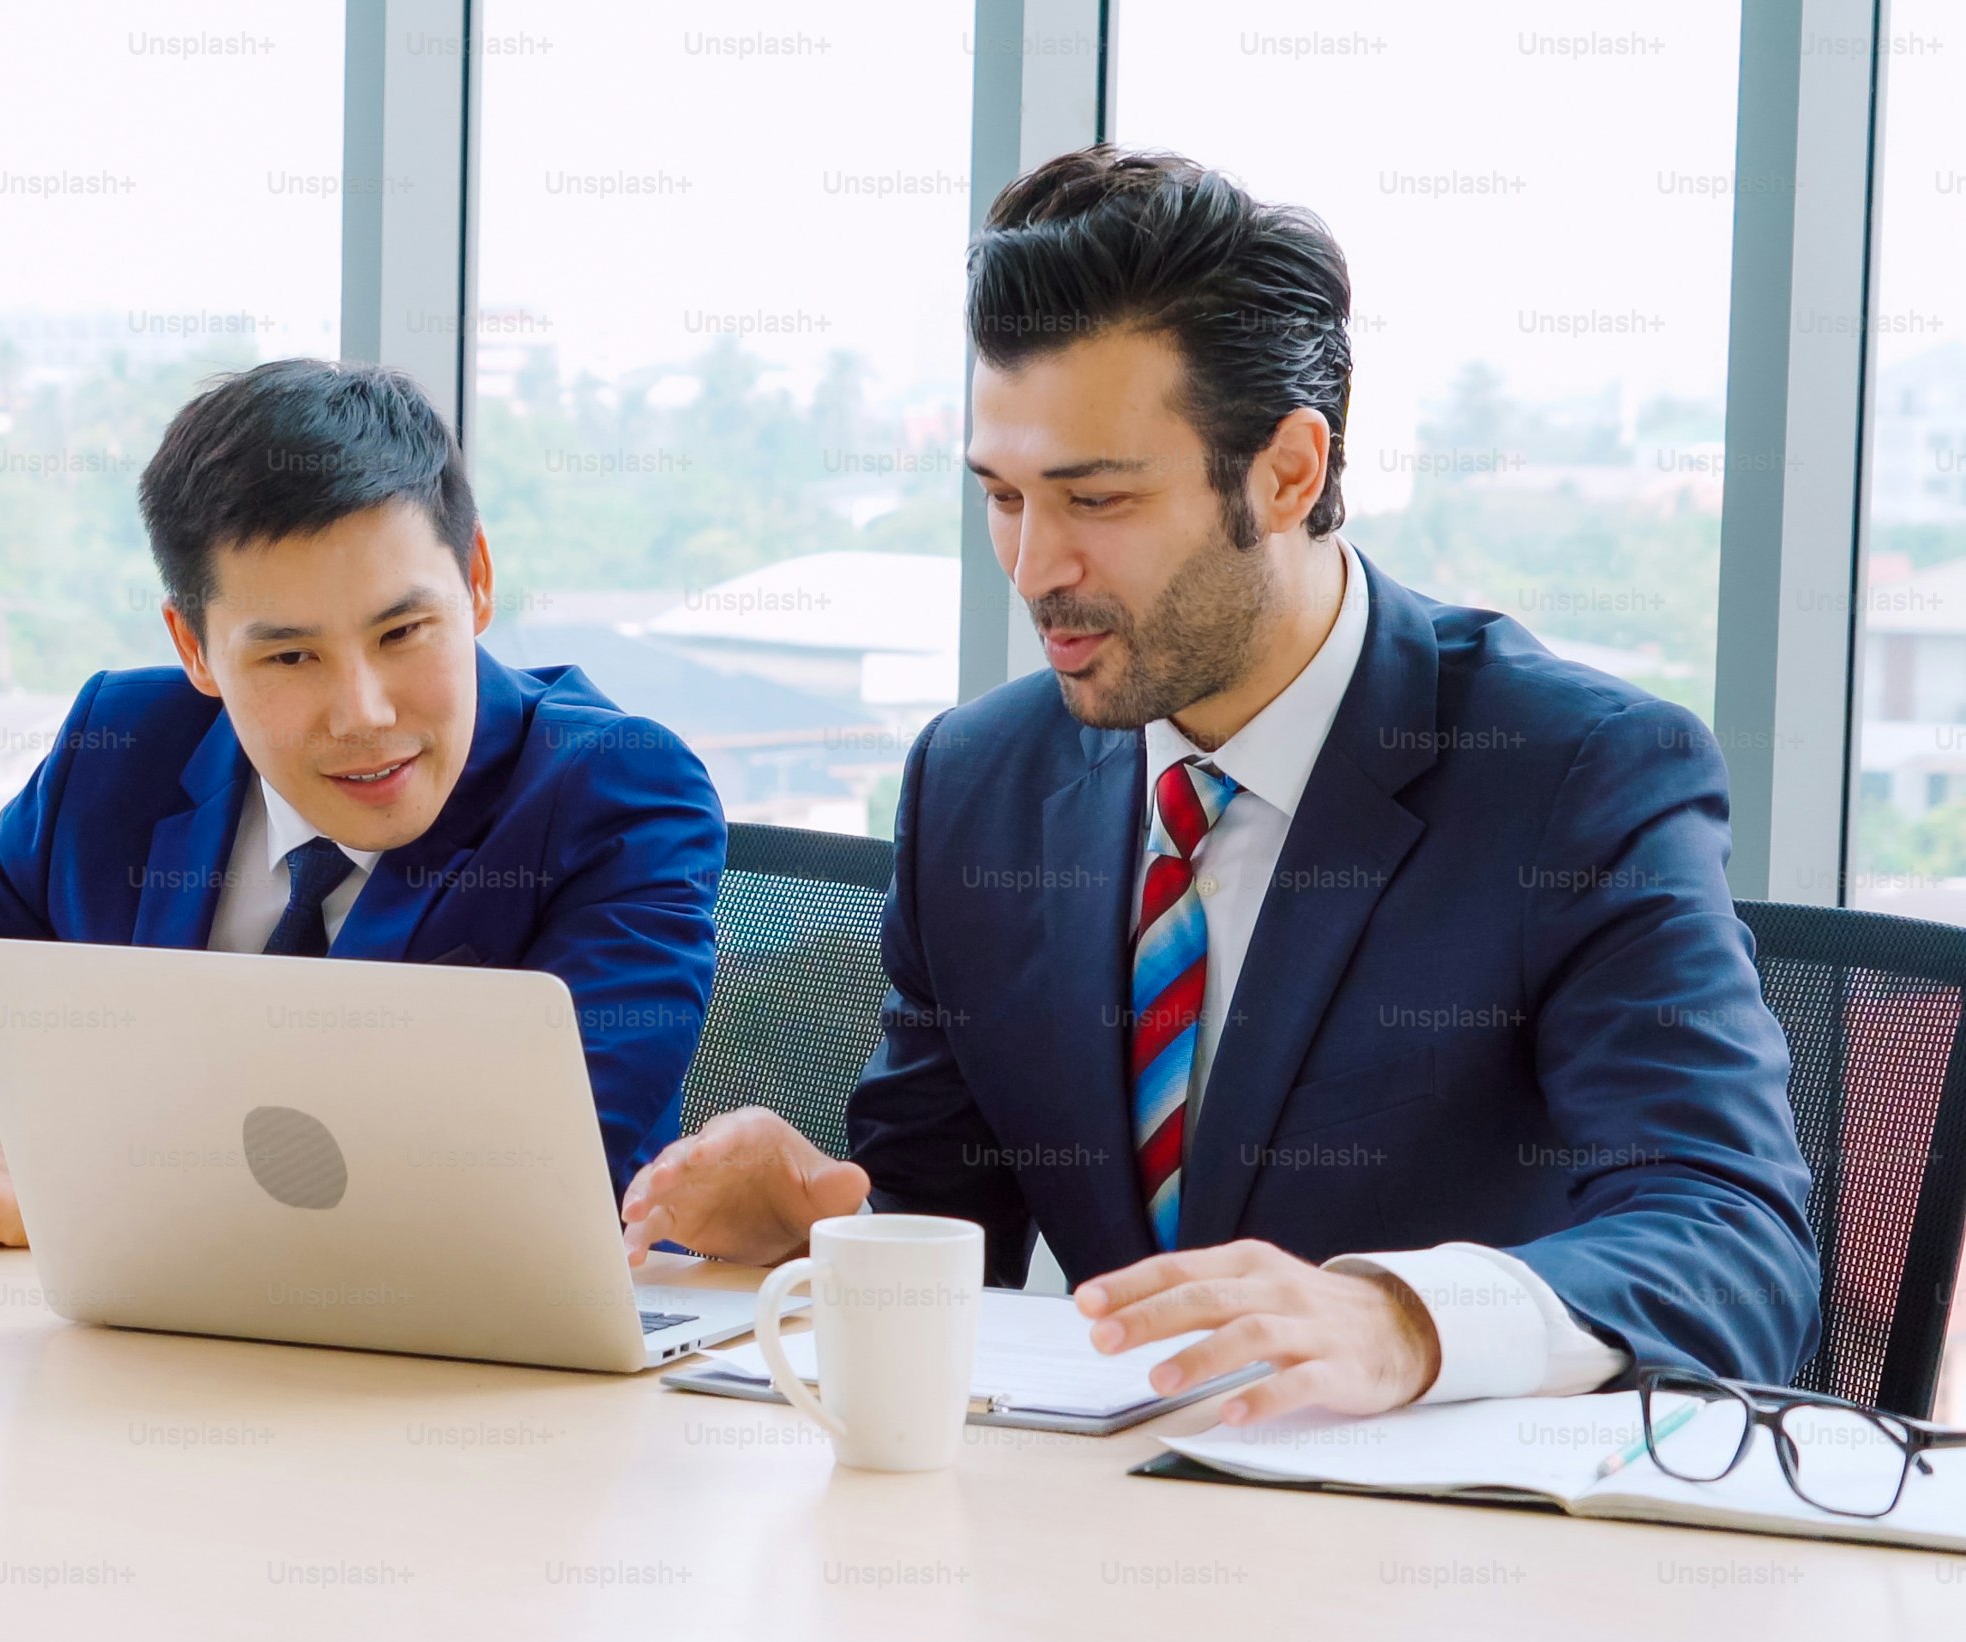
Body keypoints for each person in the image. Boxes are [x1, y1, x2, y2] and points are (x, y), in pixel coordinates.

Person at [623, 146, 1820, 1425]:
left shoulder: (1571, 776)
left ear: (1287, 473)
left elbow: (1732, 1239)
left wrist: (1400, 1318)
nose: (1031, 568)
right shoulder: (979, 783)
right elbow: (941, 1214)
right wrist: (820, 1217)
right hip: (1092, 1534)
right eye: (1001, 497)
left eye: (1096, 498)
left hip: (1444, 1567)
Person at [0, 359, 725, 1642]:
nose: (364, 712)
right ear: (193, 646)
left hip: (439, 1531)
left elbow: (546, 1172)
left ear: (481, 582)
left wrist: (72, 1176)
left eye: (403, 631)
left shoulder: (613, 796)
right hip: (126, 1490)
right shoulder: (124, 751)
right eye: (288, 657)